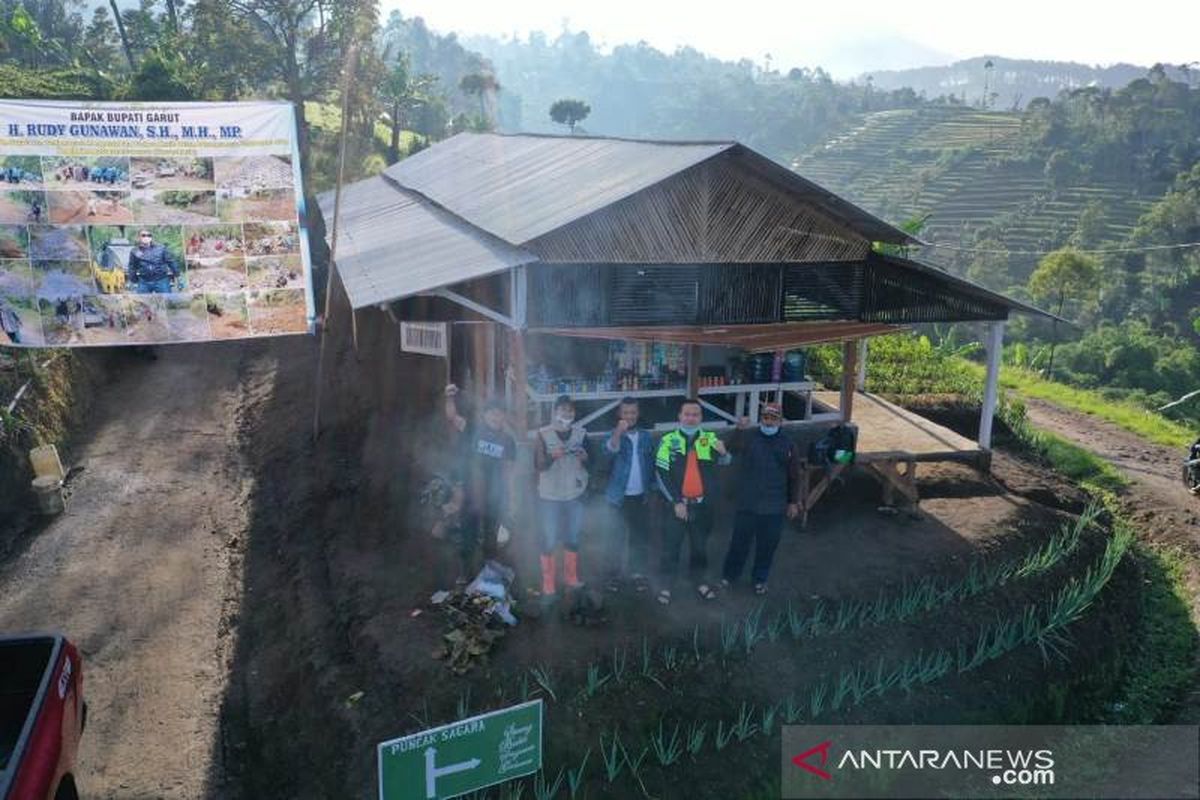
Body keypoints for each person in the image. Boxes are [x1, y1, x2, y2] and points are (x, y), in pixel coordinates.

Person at [654, 398, 730, 604]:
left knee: (700, 547)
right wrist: (676, 502)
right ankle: (666, 585)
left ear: (701, 417)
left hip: (702, 506)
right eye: (687, 414)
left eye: (695, 414)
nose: (691, 418)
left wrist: (724, 453)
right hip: (676, 506)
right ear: (679, 416)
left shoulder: (709, 438)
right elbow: (660, 473)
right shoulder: (668, 440)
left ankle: (699, 581)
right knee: (671, 547)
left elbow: (724, 462)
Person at [720, 403, 801, 595]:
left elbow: (794, 476)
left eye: (773, 418)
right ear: (761, 419)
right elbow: (730, 450)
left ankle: (760, 579)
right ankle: (729, 576)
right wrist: (739, 430)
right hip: (748, 503)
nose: (769, 422)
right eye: (766, 418)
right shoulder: (749, 437)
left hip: (774, 505)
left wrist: (793, 502)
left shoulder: (789, 444)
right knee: (739, 543)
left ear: (780, 421)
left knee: (767, 546)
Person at [444, 384, 517, 574]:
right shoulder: (473, 430)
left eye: (500, 413)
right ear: (484, 415)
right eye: (492, 413)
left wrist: (511, 499)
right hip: (472, 495)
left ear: (504, 416)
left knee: (491, 540)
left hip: (495, 497)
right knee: (468, 537)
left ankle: (488, 577)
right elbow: (453, 418)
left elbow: (509, 472)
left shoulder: (508, 441)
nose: (496, 417)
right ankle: (467, 576)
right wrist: (449, 397)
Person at [534, 395, 590, 597]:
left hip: (575, 493)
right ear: (555, 411)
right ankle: (548, 583)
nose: (567, 413)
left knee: (573, 537)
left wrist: (586, 457)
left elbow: (593, 462)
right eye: (563, 409)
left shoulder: (582, 434)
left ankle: (571, 578)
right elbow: (538, 465)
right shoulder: (543, 434)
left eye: (570, 410)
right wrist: (552, 457)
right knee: (549, 538)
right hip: (550, 495)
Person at [603, 397, 656, 593]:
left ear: (638, 413)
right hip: (618, 497)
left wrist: (653, 491)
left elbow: (652, 464)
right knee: (614, 538)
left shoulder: (646, 436)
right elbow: (608, 452)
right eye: (626, 412)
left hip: (641, 496)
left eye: (633, 412)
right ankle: (613, 576)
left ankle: (637, 574)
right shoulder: (612, 434)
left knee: (639, 537)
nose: (630, 416)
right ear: (619, 414)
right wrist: (618, 432)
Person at [126, 229, 179, 293]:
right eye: (143, 235)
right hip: (144, 280)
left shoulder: (161, 248)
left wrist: (177, 274)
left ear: (151, 237)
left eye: (149, 235)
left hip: (161, 279)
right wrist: (133, 279)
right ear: (139, 237)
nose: (146, 237)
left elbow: (171, 261)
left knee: (167, 298)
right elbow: (132, 266)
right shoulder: (134, 251)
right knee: (141, 299)